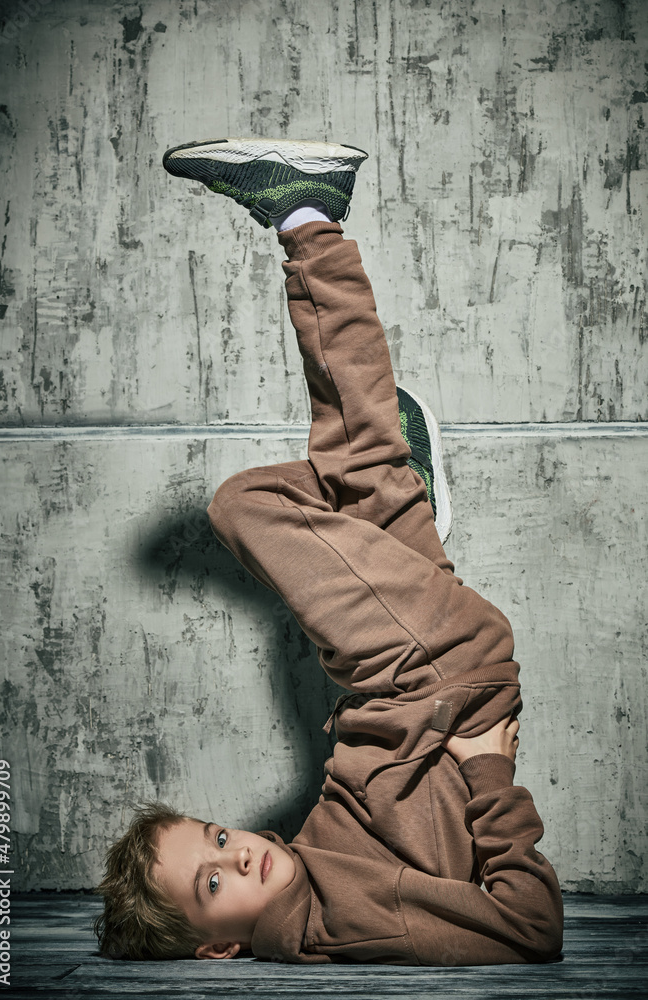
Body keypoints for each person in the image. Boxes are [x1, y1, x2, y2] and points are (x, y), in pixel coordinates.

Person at [94, 138, 564, 965]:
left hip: (404, 677)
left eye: (212, 836)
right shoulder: (337, 921)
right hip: (431, 673)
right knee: (250, 504)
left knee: (364, 452)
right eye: (212, 884)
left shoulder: (310, 874)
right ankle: (371, 497)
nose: (234, 851)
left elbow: (388, 791)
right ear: (219, 947)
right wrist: (491, 778)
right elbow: (529, 932)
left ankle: (310, 212)